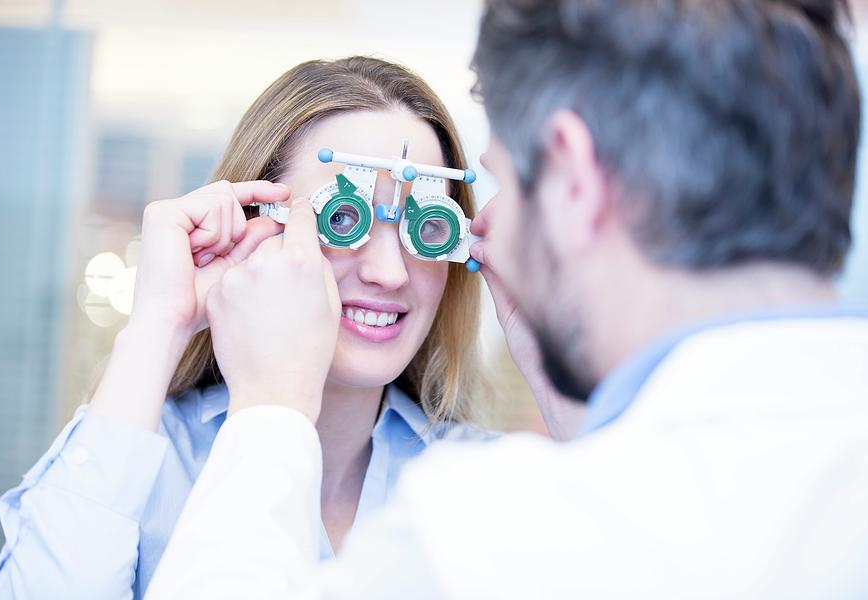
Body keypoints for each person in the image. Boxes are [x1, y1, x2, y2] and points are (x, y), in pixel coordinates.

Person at [145, 0, 868, 597]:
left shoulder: (484, 537)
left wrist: (269, 407)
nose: (490, 233)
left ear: (574, 177)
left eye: (503, 183)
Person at [0, 56, 495, 600]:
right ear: (254, 222)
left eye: (429, 226)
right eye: (341, 219)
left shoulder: (484, 484)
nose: (388, 273)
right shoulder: (146, 460)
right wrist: (160, 322)